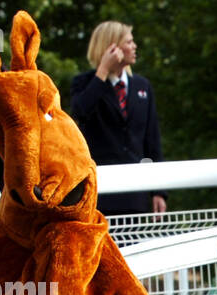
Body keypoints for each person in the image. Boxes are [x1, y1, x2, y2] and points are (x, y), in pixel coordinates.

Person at [69, 20, 167, 216]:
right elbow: (80, 113)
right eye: (129, 42)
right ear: (111, 47)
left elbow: (152, 142)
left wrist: (159, 191)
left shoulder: (142, 86)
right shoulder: (85, 83)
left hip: (135, 194)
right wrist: (103, 71)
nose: (134, 46)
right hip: (98, 194)